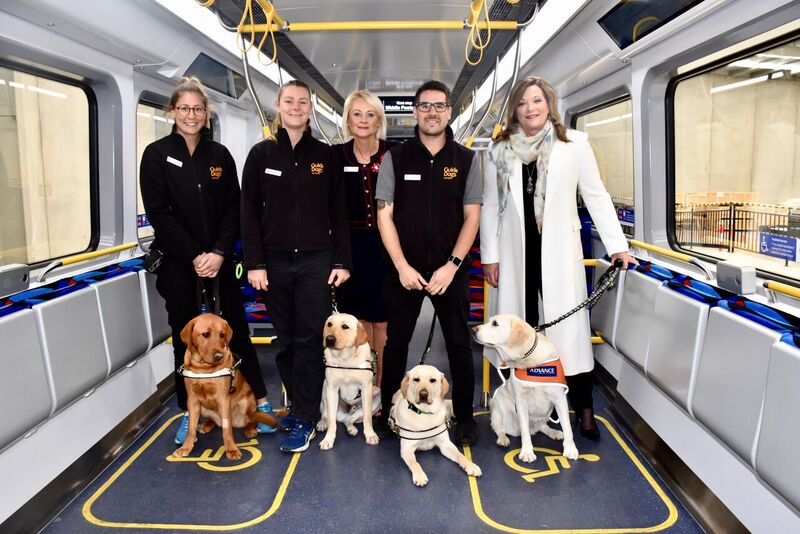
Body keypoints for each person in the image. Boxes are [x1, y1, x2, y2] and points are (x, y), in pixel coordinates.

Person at [480, 76, 637, 440]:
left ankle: (583, 410)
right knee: (524, 332)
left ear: (549, 104)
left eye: (537, 101)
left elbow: (596, 195)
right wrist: (490, 255)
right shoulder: (499, 148)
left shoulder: (574, 144)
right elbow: (491, 205)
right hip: (517, 254)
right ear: (514, 110)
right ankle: (529, 406)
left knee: (569, 336)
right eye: (522, 103)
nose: (531, 108)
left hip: (560, 254)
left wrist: (617, 245)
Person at [139, 76, 275, 445]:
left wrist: (218, 252)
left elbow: (235, 208)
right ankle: (190, 412)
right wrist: (195, 254)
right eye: (183, 108)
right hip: (179, 262)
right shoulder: (156, 155)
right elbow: (159, 214)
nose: (191, 115)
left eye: (197, 109)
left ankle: (257, 400)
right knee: (185, 336)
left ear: (206, 113)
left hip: (219, 259)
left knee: (235, 332)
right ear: (172, 111)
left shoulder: (220, 157)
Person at [241, 80, 351, 453]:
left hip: (317, 260)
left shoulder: (327, 155)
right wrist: (254, 262)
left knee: (309, 339)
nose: (296, 107)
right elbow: (249, 215)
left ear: (311, 108)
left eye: (302, 102)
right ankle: (303, 405)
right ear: (278, 105)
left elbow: (340, 211)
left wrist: (342, 261)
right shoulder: (260, 155)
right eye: (289, 101)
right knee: (285, 341)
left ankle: (304, 416)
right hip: (272, 262)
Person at [374, 80, 482, 445]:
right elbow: (384, 216)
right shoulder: (396, 158)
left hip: (449, 270)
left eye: (439, 106)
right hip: (403, 269)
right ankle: (391, 410)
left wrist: (451, 265)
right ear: (415, 111)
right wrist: (402, 266)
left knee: (459, 343)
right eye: (424, 106)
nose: (432, 112)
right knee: (397, 343)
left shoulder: (467, 159)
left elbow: (472, 217)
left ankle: (464, 417)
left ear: (449, 111)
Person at [334, 90, 391, 386]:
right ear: (347, 120)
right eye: (357, 114)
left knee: (382, 321)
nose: (364, 120)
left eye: (370, 114)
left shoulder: (393, 154)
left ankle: (381, 385)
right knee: (357, 322)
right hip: (350, 249)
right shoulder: (334, 157)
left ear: (379, 119)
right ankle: (360, 384)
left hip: (387, 248)